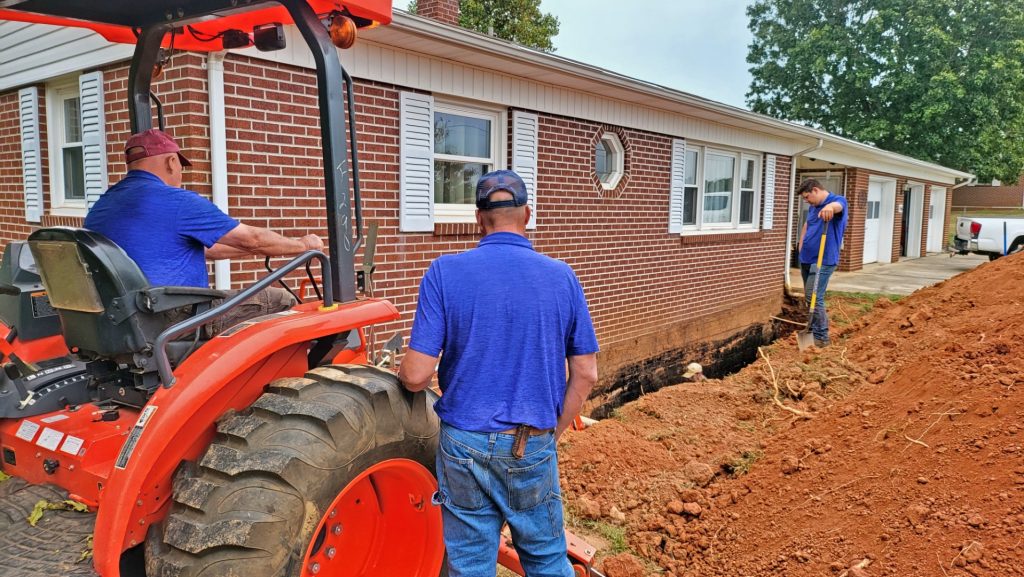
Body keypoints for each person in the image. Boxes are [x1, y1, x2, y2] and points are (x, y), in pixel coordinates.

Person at [398, 169, 599, 577]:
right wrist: (552, 433)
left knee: (470, 564)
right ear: (528, 214)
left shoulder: (444, 272)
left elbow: (416, 376)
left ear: (478, 218)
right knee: (545, 558)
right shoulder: (562, 277)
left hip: (463, 444)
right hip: (532, 440)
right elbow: (586, 373)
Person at [85, 129, 324, 334]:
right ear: (171, 162)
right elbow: (253, 239)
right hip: (175, 317)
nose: (180, 173)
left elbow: (200, 249)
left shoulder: (103, 206)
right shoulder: (177, 202)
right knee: (280, 300)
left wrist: (250, 251)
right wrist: (304, 245)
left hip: (121, 319)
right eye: (180, 165)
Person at [797, 178, 848, 347]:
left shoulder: (837, 201)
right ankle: (812, 330)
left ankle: (821, 337)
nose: (806, 201)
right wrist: (802, 241)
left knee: (814, 296)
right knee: (809, 297)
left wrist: (829, 207)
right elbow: (807, 224)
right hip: (807, 258)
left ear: (816, 190)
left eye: (807, 197)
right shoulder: (813, 207)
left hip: (824, 259)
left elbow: (838, 207)